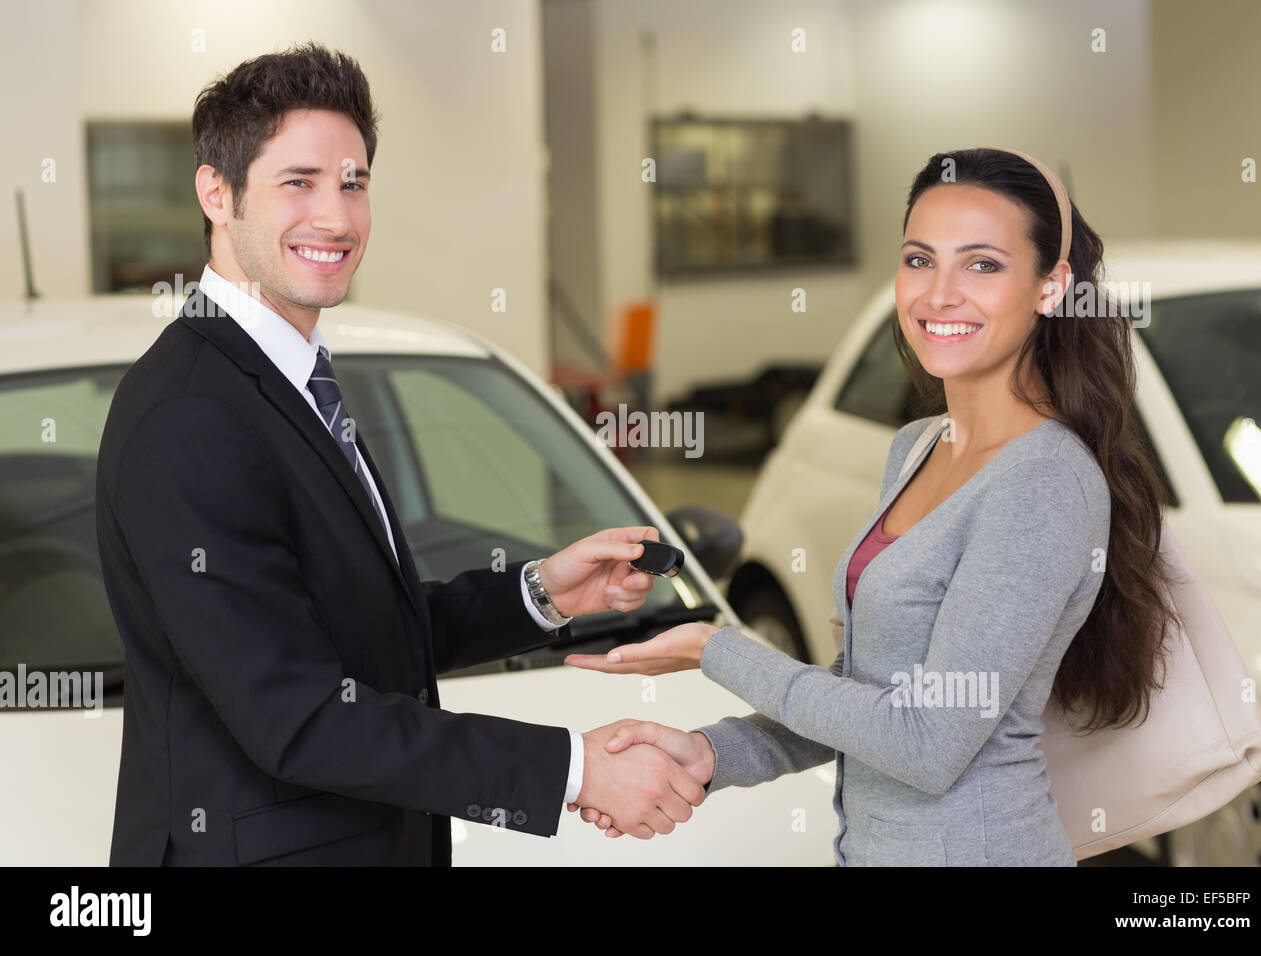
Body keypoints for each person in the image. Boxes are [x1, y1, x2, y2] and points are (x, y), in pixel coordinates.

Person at [96, 42, 705, 866]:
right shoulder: (188, 416)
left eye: (353, 182)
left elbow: (353, 629)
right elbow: (299, 714)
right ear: (216, 190)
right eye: (298, 182)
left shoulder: (287, 376)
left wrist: (539, 594)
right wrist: (573, 769)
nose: (338, 218)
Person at [565, 147, 1182, 866]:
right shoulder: (920, 447)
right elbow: (869, 699)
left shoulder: (1043, 482)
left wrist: (716, 650)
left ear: (1052, 287)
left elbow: (925, 742)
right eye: (920, 260)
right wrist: (710, 753)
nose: (940, 293)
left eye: (983, 264)